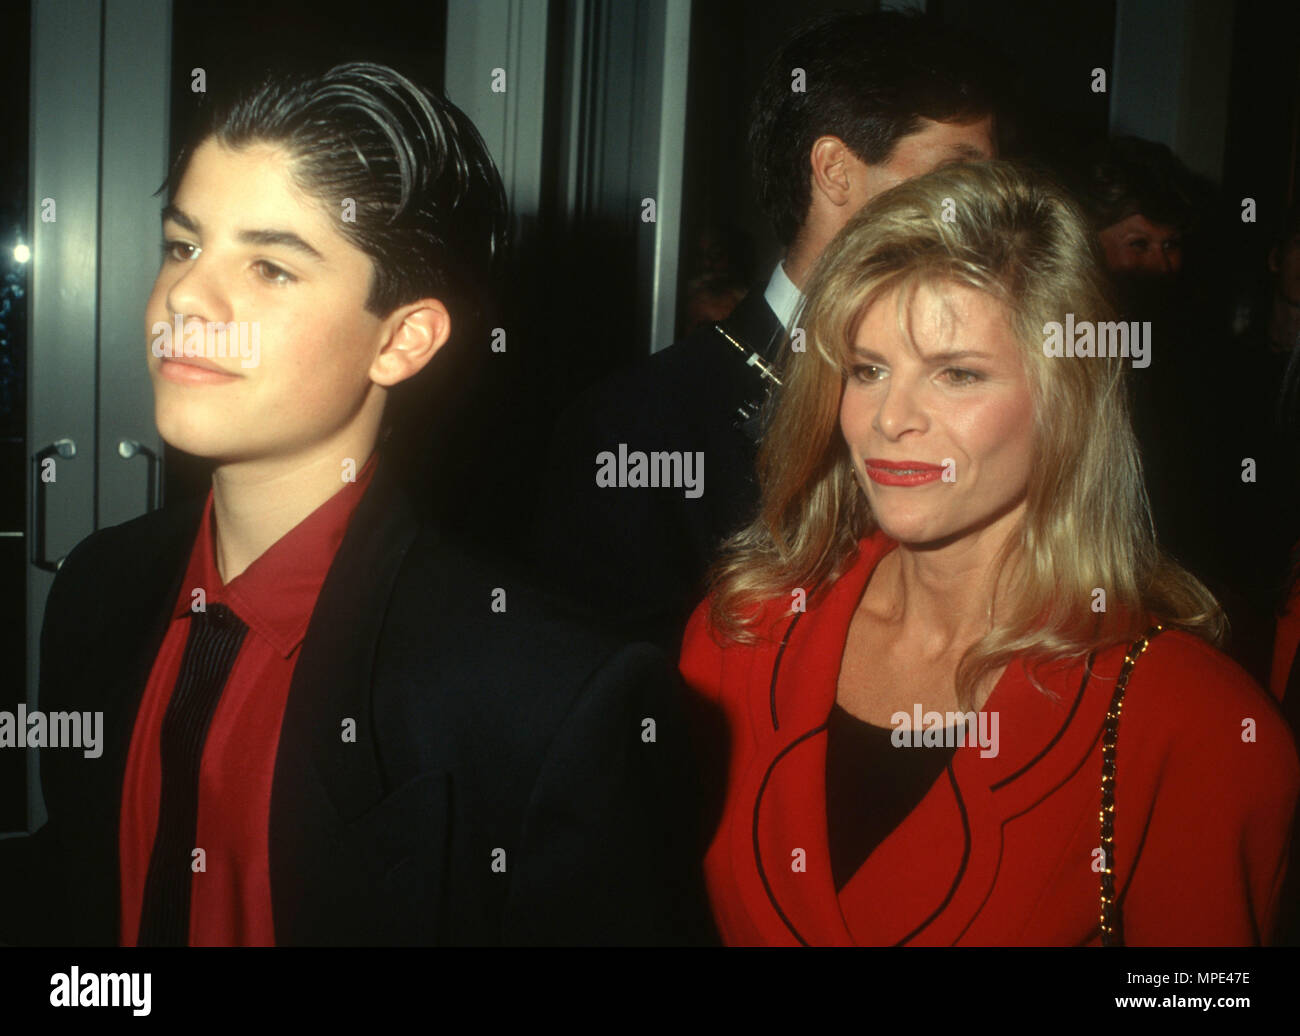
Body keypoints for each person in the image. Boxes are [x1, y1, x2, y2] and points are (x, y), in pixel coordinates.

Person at [0, 62, 711, 946]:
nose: (184, 295)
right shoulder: (98, 588)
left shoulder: (547, 700)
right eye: (183, 245)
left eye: (268, 266)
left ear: (402, 340)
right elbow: (82, 881)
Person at [679, 160, 1300, 946]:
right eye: (868, 369)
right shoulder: (741, 636)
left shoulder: (1193, 724)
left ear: (1065, 399)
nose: (890, 418)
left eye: (957, 374)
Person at [532, 9, 1001, 655]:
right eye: (958, 175)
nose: (984, 210)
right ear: (836, 170)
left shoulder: (995, 394)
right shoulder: (640, 424)